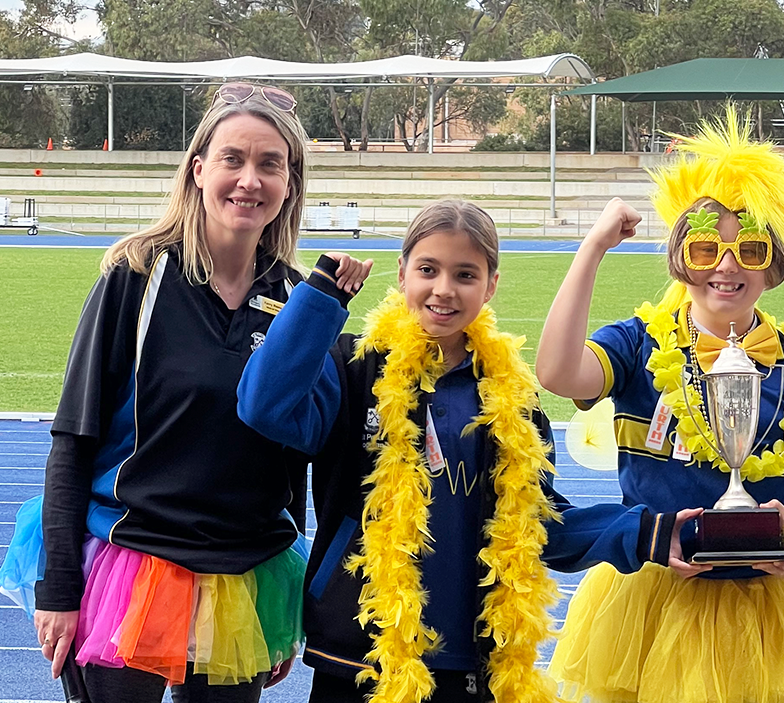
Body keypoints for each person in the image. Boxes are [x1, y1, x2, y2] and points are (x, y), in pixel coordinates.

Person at [237, 199, 674, 703]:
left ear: (490, 286)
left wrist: (650, 532)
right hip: (362, 657)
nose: (443, 289)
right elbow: (264, 407)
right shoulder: (353, 367)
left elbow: (540, 525)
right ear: (402, 274)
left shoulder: (511, 399)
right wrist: (320, 300)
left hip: (474, 660)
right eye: (428, 269)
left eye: (465, 274)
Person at [0, 83, 314, 701]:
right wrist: (60, 588)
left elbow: (291, 454)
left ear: (288, 184)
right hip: (131, 565)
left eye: (269, 164)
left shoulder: (298, 301)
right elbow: (73, 439)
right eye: (232, 159)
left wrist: (283, 607)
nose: (249, 179)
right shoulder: (135, 278)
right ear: (198, 170)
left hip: (244, 578)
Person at [537, 109, 784, 703]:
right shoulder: (639, 345)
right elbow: (557, 372)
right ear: (682, 256)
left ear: (776, 264)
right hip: (653, 604)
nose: (727, 264)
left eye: (751, 249)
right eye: (707, 247)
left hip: (777, 617)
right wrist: (593, 248)